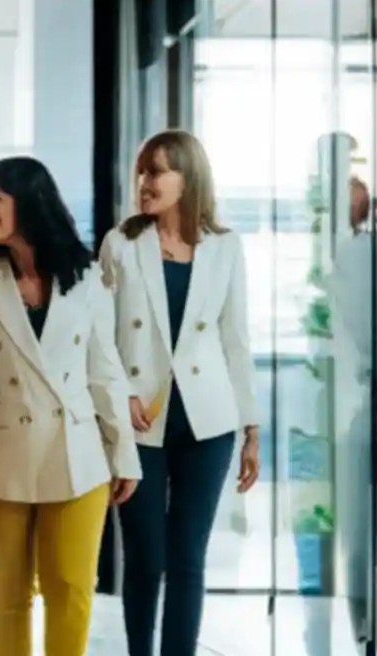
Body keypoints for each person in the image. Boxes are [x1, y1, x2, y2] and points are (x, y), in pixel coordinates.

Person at [0, 156, 140, 656]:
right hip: (1, 454)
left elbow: (105, 370)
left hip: (77, 454)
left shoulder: (87, 275)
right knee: (9, 597)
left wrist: (124, 453)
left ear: (29, 201)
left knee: (71, 591)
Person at [98, 129, 260, 656]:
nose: (145, 182)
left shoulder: (226, 247)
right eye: (142, 171)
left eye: (158, 171)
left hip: (208, 421)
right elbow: (100, 336)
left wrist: (251, 429)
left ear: (188, 179)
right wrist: (120, 394)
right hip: (140, 421)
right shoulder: (120, 243)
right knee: (145, 556)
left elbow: (236, 339)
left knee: (188, 557)